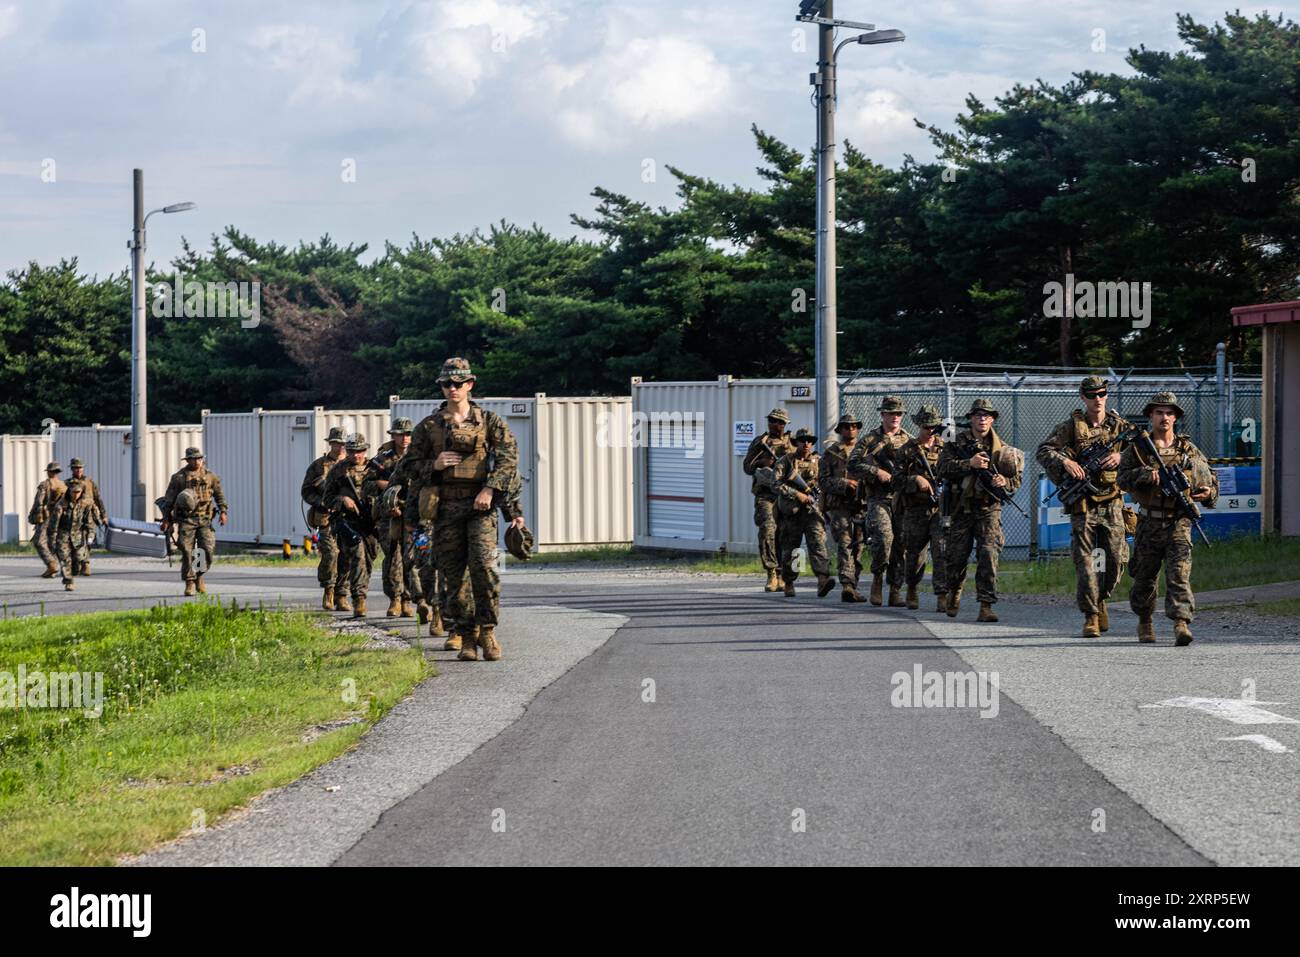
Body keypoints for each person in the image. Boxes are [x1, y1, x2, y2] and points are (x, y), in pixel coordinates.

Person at [402, 358, 522, 661]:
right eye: (447, 384)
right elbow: (409, 467)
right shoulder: (429, 427)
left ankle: (487, 631)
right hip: (445, 509)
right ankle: (466, 636)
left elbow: (509, 459)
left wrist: (490, 489)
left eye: (458, 383)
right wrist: (434, 465)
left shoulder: (490, 421)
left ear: (470, 384)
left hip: (480, 507)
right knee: (453, 577)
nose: (452, 388)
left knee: (484, 569)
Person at [1117, 391, 1218, 646]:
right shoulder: (1138, 450)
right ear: (1150, 416)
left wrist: (1208, 493)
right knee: (1144, 577)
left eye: (1169, 413)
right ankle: (1145, 621)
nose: (1164, 417)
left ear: (1176, 417)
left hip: (1178, 522)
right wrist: (1144, 475)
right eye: (1159, 412)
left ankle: (1181, 623)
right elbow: (1121, 479)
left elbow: (1210, 478)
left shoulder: (1188, 450)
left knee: (1179, 575)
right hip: (1149, 522)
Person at [1036, 376, 1134, 637]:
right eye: (1091, 395)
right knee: (1085, 562)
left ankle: (1101, 599)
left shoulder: (1120, 426)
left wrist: (1121, 456)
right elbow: (1043, 451)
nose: (1097, 399)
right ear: (1083, 397)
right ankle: (1091, 615)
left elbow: (1145, 450)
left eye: (1101, 393)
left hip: (1112, 501)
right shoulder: (1070, 427)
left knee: (1115, 560)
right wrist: (1065, 462)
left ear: (1106, 395)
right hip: (1083, 503)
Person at [937, 399, 1023, 622]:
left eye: (986, 415)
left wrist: (1004, 481)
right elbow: (942, 468)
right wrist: (969, 464)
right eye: (978, 415)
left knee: (988, 553)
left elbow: (1016, 480)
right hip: (960, 508)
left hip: (988, 508)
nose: (982, 419)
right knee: (956, 557)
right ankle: (954, 589)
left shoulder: (1003, 449)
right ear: (971, 419)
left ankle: (986, 604)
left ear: (992, 419)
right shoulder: (956, 442)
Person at [849, 396, 912, 606]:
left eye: (898, 413)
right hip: (878, 498)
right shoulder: (869, 439)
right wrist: (876, 472)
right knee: (884, 539)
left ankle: (895, 589)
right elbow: (852, 464)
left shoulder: (909, 440)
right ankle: (877, 579)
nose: (895, 417)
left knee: (901, 544)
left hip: (901, 499)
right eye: (891, 413)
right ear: (883, 414)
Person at [773, 428, 836, 599]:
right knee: (793, 549)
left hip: (812, 512)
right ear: (796, 442)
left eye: (809, 440)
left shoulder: (819, 461)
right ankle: (789, 581)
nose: (806, 443)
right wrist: (797, 494)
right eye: (802, 440)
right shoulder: (786, 461)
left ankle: (822, 579)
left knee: (818, 544)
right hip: (792, 512)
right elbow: (775, 484)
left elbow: (826, 481)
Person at [898, 405, 949, 612]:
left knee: (941, 551)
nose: (930, 430)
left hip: (940, 509)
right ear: (919, 425)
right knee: (914, 554)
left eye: (934, 427)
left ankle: (942, 594)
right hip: (916, 510)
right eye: (926, 426)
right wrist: (915, 480)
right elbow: (896, 481)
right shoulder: (907, 450)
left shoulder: (946, 448)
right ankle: (911, 588)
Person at [364, 418, 417, 618]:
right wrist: (383, 485)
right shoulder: (382, 460)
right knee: (393, 555)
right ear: (393, 435)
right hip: (389, 515)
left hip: (412, 513)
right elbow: (366, 486)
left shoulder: (419, 456)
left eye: (408, 434)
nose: (404, 438)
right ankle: (395, 598)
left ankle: (408, 599)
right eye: (400, 434)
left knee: (411, 557)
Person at [159, 447, 228, 596]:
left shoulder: (210, 476)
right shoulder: (178, 478)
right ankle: (189, 582)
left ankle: (199, 575)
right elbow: (169, 500)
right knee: (187, 550)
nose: (197, 461)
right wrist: (166, 519)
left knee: (206, 550)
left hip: (205, 519)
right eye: (193, 459)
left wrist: (223, 511)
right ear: (187, 460)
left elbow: (219, 495)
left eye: (199, 458)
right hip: (186, 520)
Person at [741, 408, 796, 592]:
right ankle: (772, 572)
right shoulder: (760, 442)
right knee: (768, 530)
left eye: (778, 421)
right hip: (766, 494)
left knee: (788, 535)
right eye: (772, 420)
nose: (774, 424)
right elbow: (747, 467)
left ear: (785, 424)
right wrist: (761, 463)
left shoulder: (793, 443)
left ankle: (786, 575)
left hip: (787, 495)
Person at [325, 433, 378, 618]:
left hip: (371, 521)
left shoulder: (375, 468)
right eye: (353, 451)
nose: (357, 455)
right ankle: (359, 600)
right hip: (348, 521)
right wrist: (342, 499)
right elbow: (327, 498)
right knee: (358, 556)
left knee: (369, 559)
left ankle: (351, 591)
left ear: (365, 450)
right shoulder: (338, 470)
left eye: (360, 451)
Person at [820, 412, 869, 602]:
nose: (851, 430)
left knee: (859, 546)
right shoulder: (831, 453)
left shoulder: (866, 451)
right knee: (845, 543)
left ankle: (853, 585)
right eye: (847, 427)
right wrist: (844, 483)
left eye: (854, 426)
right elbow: (823, 481)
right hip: (839, 506)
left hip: (861, 505)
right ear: (840, 430)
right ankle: (847, 585)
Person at [302, 426, 349, 611]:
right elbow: (306, 491)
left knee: (347, 555)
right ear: (331, 444)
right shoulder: (318, 465)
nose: (340, 447)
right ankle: (328, 589)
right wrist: (321, 502)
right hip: (326, 517)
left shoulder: (352, 463)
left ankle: (341, 594)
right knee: (331, 553)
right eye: (337, 443)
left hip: (347, 517)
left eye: (343, 443)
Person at [49, 479, 97, 591]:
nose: (75, 494)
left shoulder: (85, 503)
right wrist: (52, 540)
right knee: (65, 559)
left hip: (78, 535)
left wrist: (91, 536)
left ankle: (74, 572)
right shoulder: (61, 504)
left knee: (78, 560)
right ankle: (69, 581)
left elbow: (89, 521)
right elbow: (53, 524)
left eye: (78, 492)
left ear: (81, 492)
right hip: (63, 534)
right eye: (73, 492)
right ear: (69, 491)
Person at [27, 461, 66, 578]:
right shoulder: (64, 485)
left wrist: (38, 514)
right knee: (52, 542)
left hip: (47, 517)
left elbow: (39, 501)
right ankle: (55, 568)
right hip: (62, 518)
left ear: (49, 472)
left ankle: (51, 564)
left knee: (38, 541)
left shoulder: (45, 484)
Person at [66, 458, 105, 575]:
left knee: (88, 539)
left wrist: (103, 515)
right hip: (74, 516)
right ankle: (77, 562)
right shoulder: (67, 483)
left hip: (89, 515)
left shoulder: (90, 482)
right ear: (72, 469)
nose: (78, 470)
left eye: (80, 467)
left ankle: (86, 563)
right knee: (74, 540)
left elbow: (98, 499)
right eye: (76, 468)